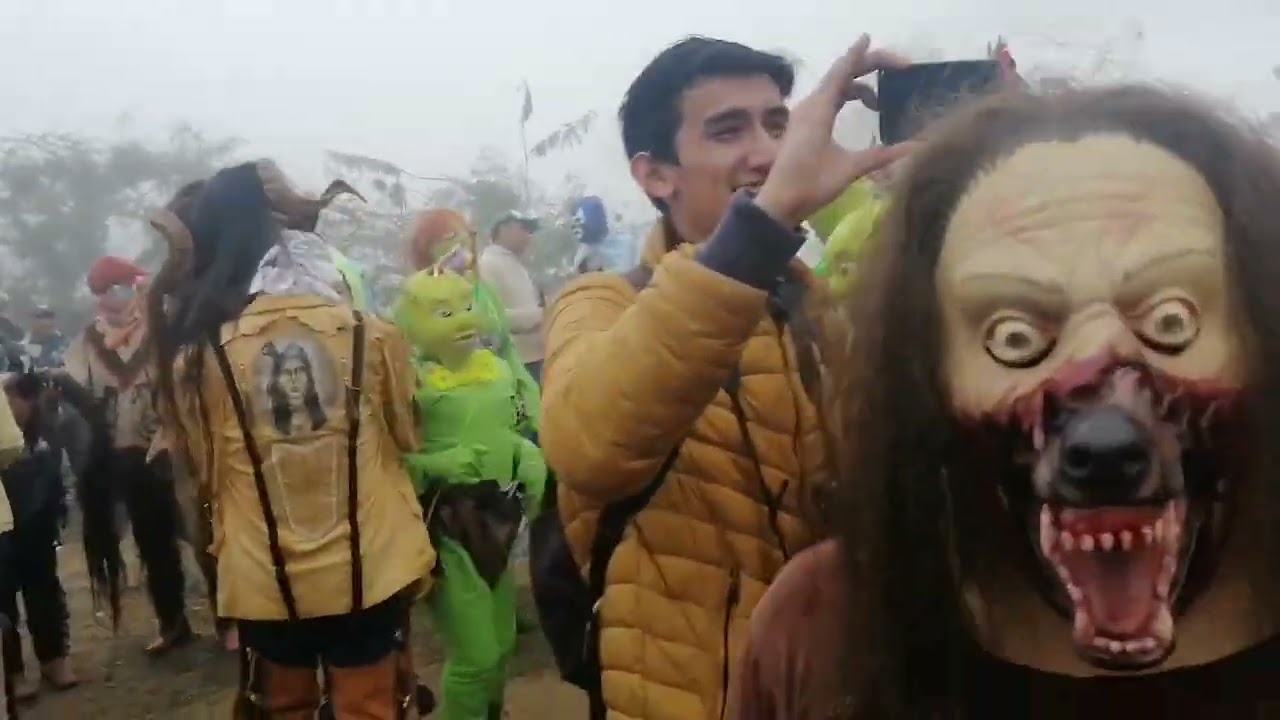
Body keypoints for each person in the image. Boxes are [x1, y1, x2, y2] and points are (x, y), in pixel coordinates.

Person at [729, 84, 1280, 717]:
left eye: (1172, 320)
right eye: (1014, 338)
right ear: (926, 370)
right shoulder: (824, 625)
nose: (1104, 391)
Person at [538, 34, 909, 719]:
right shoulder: (601, 303)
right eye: (728, 129)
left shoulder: (818, 308)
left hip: (827, 685)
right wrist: (760, 227)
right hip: (686, 694)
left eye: (777, 124)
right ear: (655, 175)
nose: (768, 154)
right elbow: (589, 446)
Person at [146, 161, 434, 718]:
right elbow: (407, 435)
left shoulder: (199, 356)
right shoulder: (373, 335)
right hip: (369, 568)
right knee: (369, 707)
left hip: (262, 576)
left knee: (284, 708)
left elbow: (206, 472)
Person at [392, 266, 547, 719]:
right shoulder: (407, 384)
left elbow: (511, 430)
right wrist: (435, 463)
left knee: (500, 645)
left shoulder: (496, 371)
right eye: (444, 311)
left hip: (499, 517)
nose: (462, 321)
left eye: (465, 307)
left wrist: (527, 454)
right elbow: (382, 458)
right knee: (475, 655)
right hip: (445, 525)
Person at [62, 256, 194, 655]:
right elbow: (76, 387)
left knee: (202, 530)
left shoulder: (162, 325)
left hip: (179, 445)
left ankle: (231, 617)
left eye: (123, 286)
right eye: (106, 291)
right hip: (130, 456)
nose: (116, 297)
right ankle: (173, 622)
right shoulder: (90, 339)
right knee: (154, 543)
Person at [478, 211, 545, 383]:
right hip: (516, 364)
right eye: (524, 228)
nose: (528, 236)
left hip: (536, 357)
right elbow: (490, 318)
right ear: (504, 228)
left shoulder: (515, 264)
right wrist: (540, 315)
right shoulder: (487, 264)